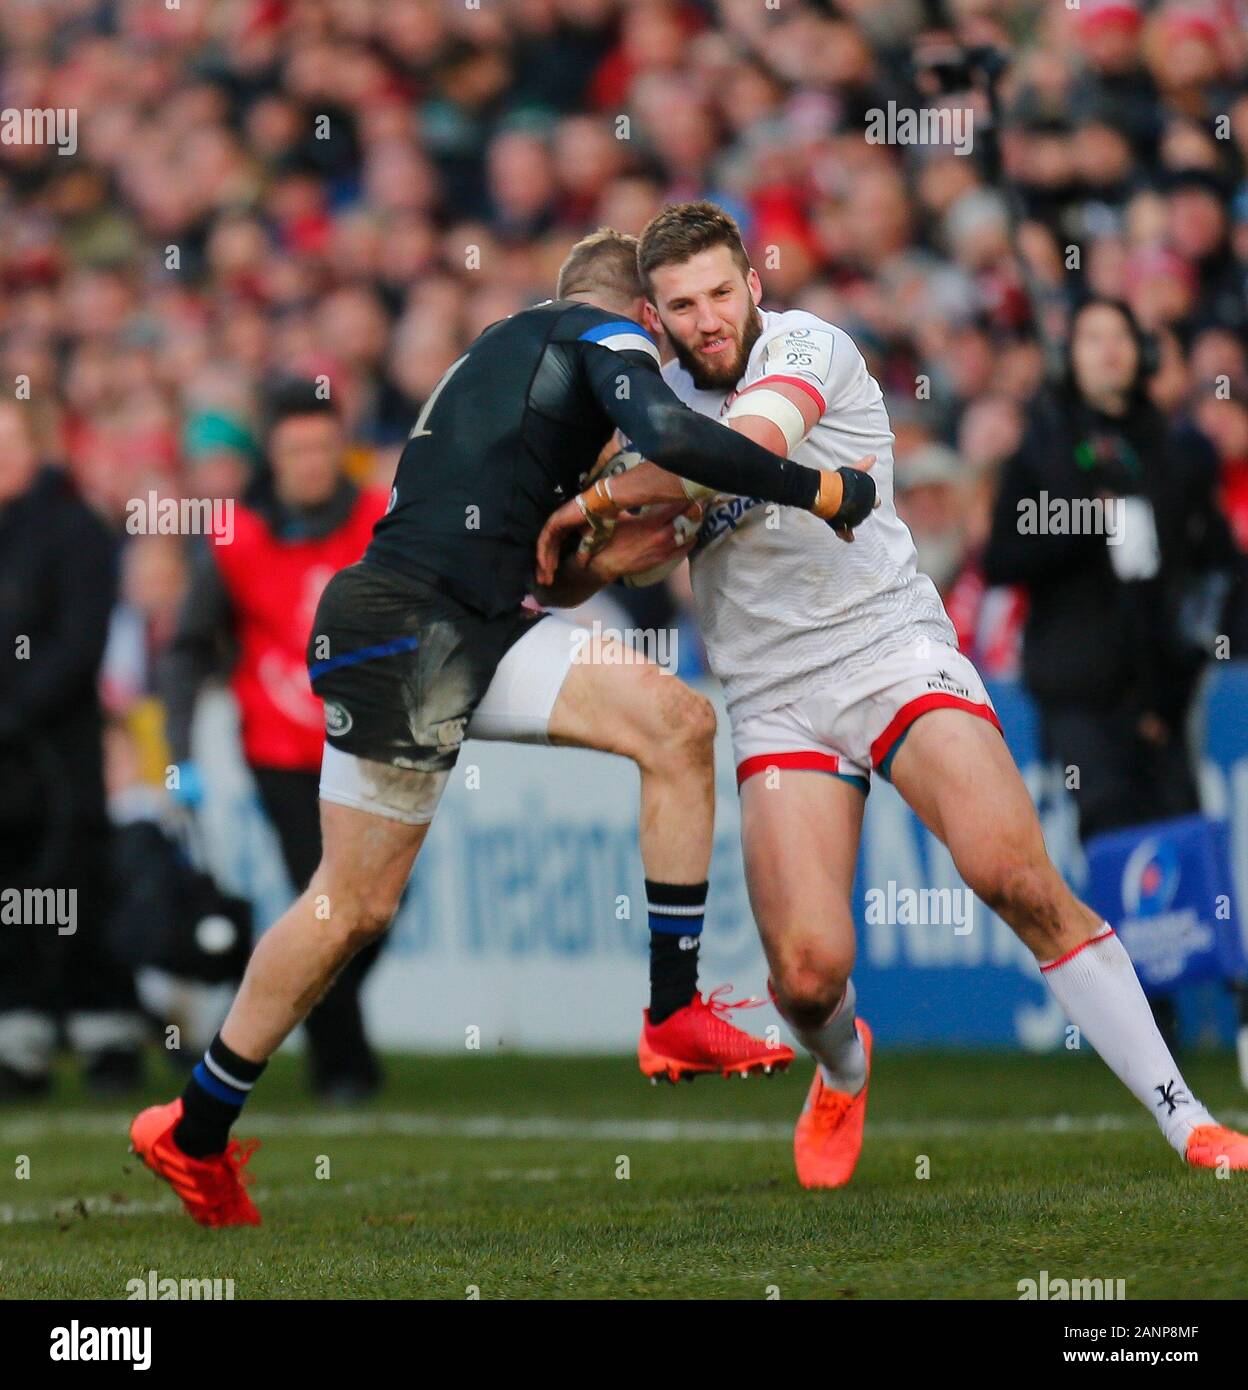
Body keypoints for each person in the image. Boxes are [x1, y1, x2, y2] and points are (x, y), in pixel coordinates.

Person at [129, 228, 876, 1226]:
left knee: (653, 735)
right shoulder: (603, 334)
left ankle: (198, 1126)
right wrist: (821, 487)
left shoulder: (509, 352)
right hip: (433, 628)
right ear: (641, 315)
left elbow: (542, 563)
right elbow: (676, 435)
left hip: (421, 623)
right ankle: (668, 1010)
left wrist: (605, 550)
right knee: (368, 897)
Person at [538, 202, 1248, 1188]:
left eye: (718, 293)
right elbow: (585, 574)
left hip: (890, 650)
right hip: (774, 698)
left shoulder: (805, 346)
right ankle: (842, 1068)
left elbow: (738, 447)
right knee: (809, 972)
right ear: (654, 318)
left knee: (1013, 873)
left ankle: (1188, 1118)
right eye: (680, 305)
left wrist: (596, 497)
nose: (706, 319)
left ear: (753, 286)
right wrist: (581, 550)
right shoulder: (653, 415)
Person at [160, 381, 392, 1101]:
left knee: (376, 909)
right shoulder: (237, 538)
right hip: (283, 753)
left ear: (341, 451)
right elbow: (188, 647)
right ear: (274, 455)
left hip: (382, 745)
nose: (312, 462)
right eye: (296, 448)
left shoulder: (384, 522)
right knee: (326, 902)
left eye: (324, 446)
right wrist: (181, 755)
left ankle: (301, 1010)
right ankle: (343, 1066)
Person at [984, 297, 1235, 842]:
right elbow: (1001, 559)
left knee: (1181, 838)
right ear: (1069, 357)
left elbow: (1217, 565)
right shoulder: (1042, 447)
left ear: (1142, 354)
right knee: (1112, 835)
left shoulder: (1178, 449)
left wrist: (1195, 649)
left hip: (1167, 689)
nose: (1109, 351)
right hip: (1080, 688)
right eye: (1092, 338)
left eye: (1120, 336)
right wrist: (1082, 521)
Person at [0, 403, 146, 1097]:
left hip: (58, 758)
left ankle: (108, 1036)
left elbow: (79, 642)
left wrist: (18, 708)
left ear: (33, 447)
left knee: (71, 895)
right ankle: (19, 1042)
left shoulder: (73, 527)